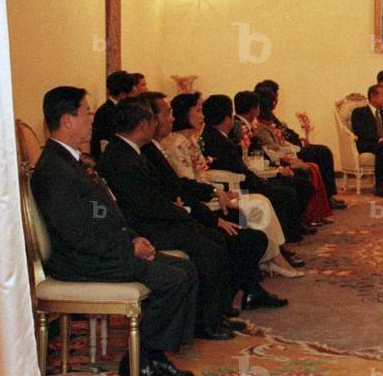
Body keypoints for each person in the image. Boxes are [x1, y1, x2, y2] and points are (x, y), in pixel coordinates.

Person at [31, 86, 193, 376]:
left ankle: (152, 355)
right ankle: (138, 362)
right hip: (80, 261)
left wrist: (133, 237)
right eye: (87, 112)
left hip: (100, 250)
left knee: (185, 269)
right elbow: (77, 234)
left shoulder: (72, 162)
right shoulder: (54, 170)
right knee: (174, 279)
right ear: (67, 120)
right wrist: (129, 247)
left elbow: (103, 214)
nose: (93, 118)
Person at [97, 100, 283, 339]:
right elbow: (144, 203)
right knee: (213, 247)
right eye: (160, 117)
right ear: (143, 125)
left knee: (228, 239)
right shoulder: (121, 157)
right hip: (147, 227)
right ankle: (206, 320)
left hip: (162, 218)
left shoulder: (135, 152)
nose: (164, 121)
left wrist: (187, 208)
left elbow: (164, 192)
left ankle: (214, 313)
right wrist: (185, 211)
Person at [161, 92, 306, 274]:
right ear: (184, 114)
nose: (202, 116)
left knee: (261, 201)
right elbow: (188, 181)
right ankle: (270, 259)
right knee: (259, 205)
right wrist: (217, 191)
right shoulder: (177, 143)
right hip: (200, 199)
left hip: (211, 191)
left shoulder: (189, 140)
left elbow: (202, 174)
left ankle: (272, 257)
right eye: (198, 111)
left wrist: (220, 190)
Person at [201, 95, 314, 244]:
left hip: (246, 178)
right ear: (226, 117)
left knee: (293, 184)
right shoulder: (219, 140)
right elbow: (241, 170)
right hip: (238, 187)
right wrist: (266, 182)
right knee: (286, 193)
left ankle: (289, 234)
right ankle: (286, 238)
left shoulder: (216, 136)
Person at [253, 80, 345, 209]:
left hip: (292, 146)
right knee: (321, 152)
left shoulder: (270, 115)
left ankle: (328, 196)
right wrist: (297, 145)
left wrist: (300, 140)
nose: (277, 100)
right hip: (287, 151)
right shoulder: (261, 118)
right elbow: (276, 142)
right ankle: (326, 199)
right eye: (275, 96)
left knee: (323, 151)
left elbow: (287, 132)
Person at [246, 90, 333, 226]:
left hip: (283, 155)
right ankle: (305, 218)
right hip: (274, 162)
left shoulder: (268, 120)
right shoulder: (255, 127)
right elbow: (271, 149)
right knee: (307, 171)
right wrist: (284, 164)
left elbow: (284, 137)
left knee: (317, 159)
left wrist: (295, 147)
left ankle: (320, 208)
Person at [91, 70, 136, 159]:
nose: (134, 97)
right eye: (132, 93)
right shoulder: (108, 112)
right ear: (123, 95)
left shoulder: (114, 109)